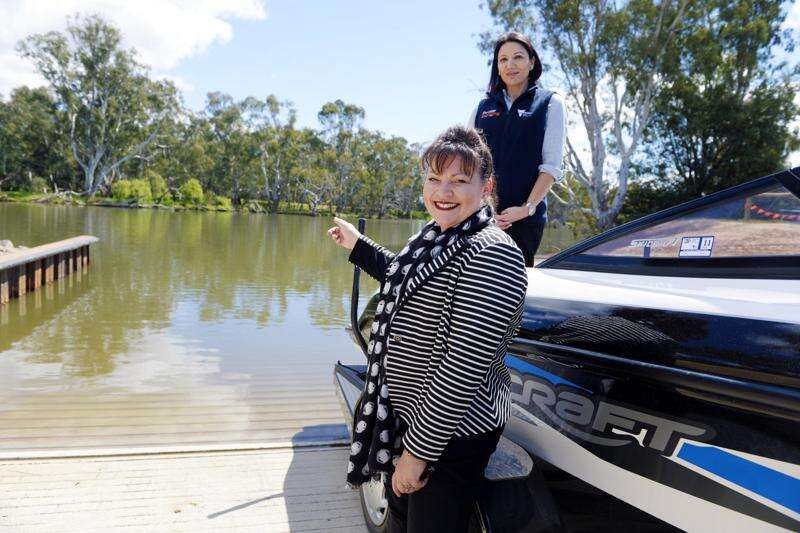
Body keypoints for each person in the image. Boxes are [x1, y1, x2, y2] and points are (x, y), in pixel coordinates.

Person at [327, 126, 528, 532]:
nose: (444, 190)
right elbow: (408, 281)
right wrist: (359, 246)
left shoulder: (493, 253)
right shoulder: (438, 236)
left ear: (485, 185)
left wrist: (418, 453)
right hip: (411, 417)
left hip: (451, 434)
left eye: (458, 180)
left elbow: (463, 367)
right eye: (435, 178)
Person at [468, 31, 566, 267]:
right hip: (481, 217)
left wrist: (526, 209)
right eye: (503, 60)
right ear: (497, 67)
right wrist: (483, 211)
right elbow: (468, 165)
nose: (510, 65)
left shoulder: (550, 103)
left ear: (532, 62)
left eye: (518, 57)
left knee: (511, 289)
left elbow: (551, 167)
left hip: (524, 219)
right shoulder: (483, 107)